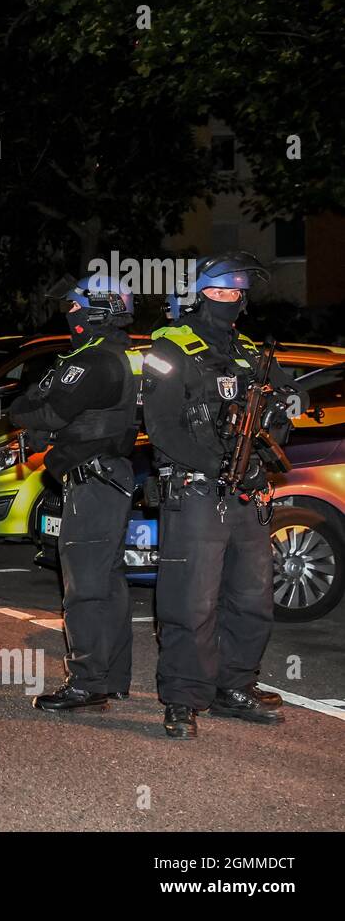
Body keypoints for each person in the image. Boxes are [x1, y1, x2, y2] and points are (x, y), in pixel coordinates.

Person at [143, 251, 305, 739]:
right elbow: (162, 427)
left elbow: (289, 399)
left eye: (237, 293)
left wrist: (281, 414)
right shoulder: (168, 350)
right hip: (196, 493)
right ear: (196, 295)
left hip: (249, 495)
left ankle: (234, 687)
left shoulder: (250, 352)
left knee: (252, 599)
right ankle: (183, 698)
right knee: (190, 603)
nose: (229, 300)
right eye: (218, 292)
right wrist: (217, 465)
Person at [9, 275, 141, 711]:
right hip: (114, 477)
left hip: (94, 481)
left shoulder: (94, 360)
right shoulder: (124, 354)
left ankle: (87, 682)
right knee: (109, 581)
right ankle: (112, 676)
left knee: (84, 585)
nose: (69, 316)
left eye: (73, 307)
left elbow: (42, 410)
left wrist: (27, 410)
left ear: (96, 310)